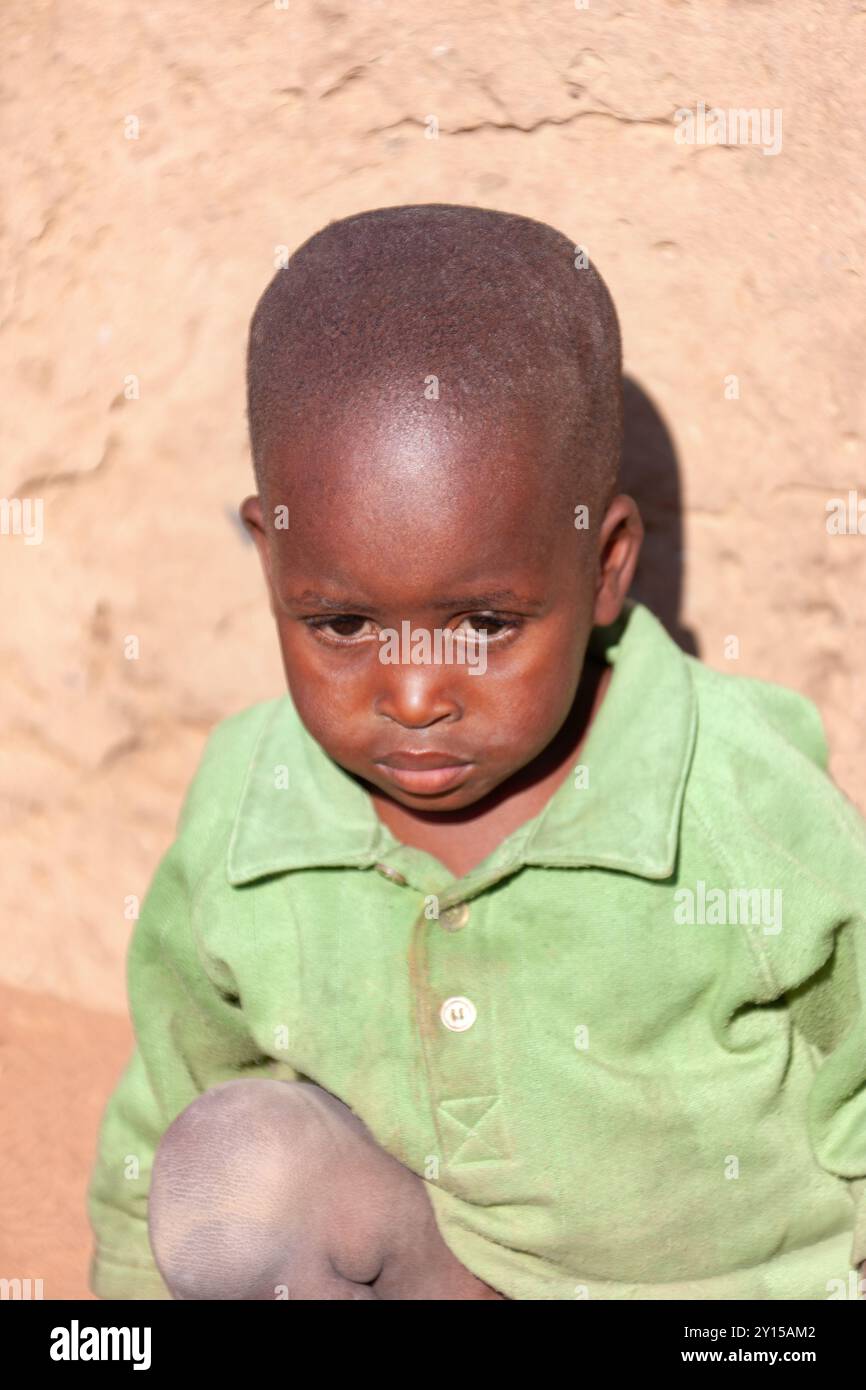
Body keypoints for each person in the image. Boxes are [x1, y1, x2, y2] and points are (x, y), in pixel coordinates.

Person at [86, 204, 866, 1300]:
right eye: (342, 624)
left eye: (484, 626)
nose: (410, 695)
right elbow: (170, 1094)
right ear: (271, 556)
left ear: (605, 566)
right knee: (235, 1163)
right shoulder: (249, 808)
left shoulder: (733, 795)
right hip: (454, 1277)